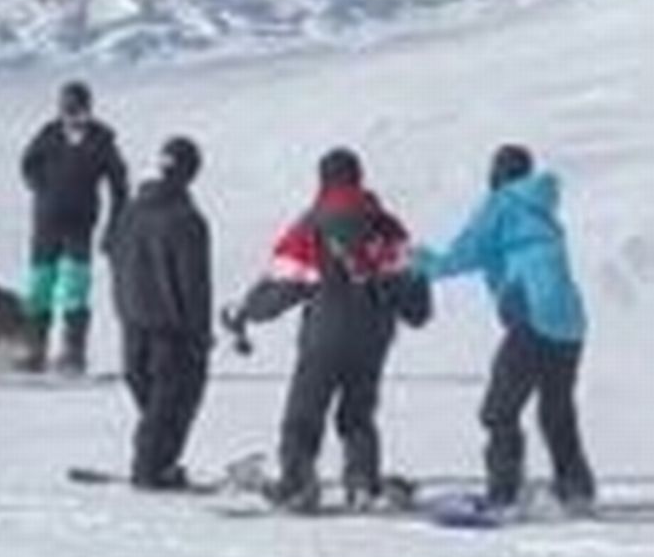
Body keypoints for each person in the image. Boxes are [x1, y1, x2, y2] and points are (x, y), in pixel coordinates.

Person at [227, 148, 431, 512]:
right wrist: (416, 311)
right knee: (358, 412)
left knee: (304, 413)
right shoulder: (385, 224)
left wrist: (247, 311)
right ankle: (362, 484)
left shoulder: (313, 223)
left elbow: (286, 283)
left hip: (326, 333)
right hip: (374, 335)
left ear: (323, 180)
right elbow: (410, 278)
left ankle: (298, 483)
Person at [413, 144, 595, 514]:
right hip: (571, 323)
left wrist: (419, 261)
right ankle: (576, 490)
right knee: (556, 410)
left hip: (534, 316)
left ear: (497, 174)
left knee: (498, 411)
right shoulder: (542, 209)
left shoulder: (503, 205)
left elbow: (462, 255)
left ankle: (504, 495)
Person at [109, 137, 211, 490]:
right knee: (174, 400)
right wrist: (200, 333)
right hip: (170, 327)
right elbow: (194, 284)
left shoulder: (130, 212)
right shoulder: (185, 219)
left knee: (154, 402)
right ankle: (151, 467)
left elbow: (113, 257)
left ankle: (154, 460)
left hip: (131, 321)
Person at [21, 81, 129, 375]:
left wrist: (114, 227)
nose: (73, 117)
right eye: (68, 110)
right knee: (38, 287)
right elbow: (28, 163)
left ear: (88, 110)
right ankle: (33, 352)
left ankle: (73, 352)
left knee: (74, 287)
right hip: (46, 222)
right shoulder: (49, 134)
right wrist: (40, 186)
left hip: (80, 224)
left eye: (79, 111)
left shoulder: (101, 140)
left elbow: (120, 186)